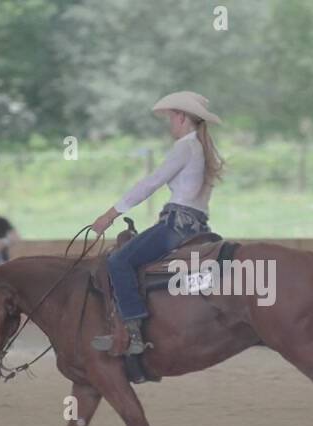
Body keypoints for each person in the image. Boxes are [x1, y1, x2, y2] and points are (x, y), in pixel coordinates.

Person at [90, 91, 225, 355]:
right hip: (198, 226)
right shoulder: (202, 147)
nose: (170, 124)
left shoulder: (185, 146)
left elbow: (151, 182)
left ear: (182, 117)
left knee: (119, 261)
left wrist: (110, 215)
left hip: (177, 225)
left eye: (171, 118)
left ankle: (132, 332)